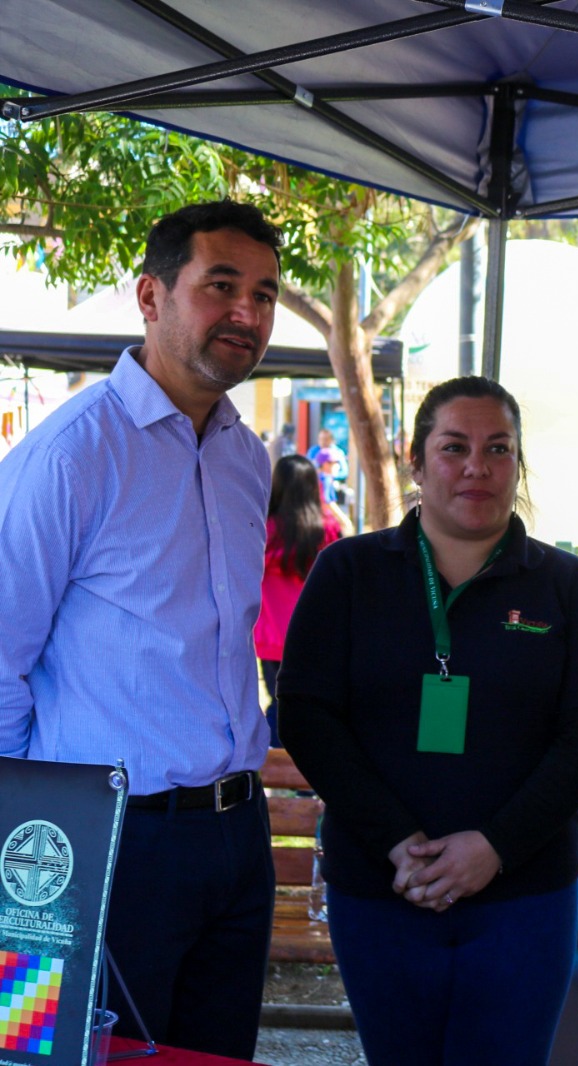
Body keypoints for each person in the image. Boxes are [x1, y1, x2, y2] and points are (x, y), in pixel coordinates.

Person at [0, 201, 282, 1057]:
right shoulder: (69, 454)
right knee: (65, 1053)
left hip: (237, 832)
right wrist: (39, 831)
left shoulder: (247, 457)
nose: (247, 312)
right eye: (221, 286)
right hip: (102, 842)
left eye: (264, 293)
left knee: (217, 1055)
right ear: (151, 297)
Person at [277, 376, 578, 1066]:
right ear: (416, 461)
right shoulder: (348, 573)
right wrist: (397, 841)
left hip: (524, 896)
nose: (477, 467)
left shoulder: (567, 585)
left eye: (498, 449)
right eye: (454, 447)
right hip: (382, 887)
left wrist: (494, 847)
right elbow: (308, 716)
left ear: (518, 463)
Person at [254, 454, 346, 747]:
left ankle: (279, 762)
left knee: (278, 703)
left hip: (271, 636)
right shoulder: (327, 529)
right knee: (312, 705)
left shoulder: (262, 529)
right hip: (316, 636)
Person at [307, 427, 348, 504]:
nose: (323, 442)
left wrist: (332, 476)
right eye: (321, 439)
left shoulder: (338, 452)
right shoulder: (313, 451)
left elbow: (344, 472)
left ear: (332, 440)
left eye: (326, 439)